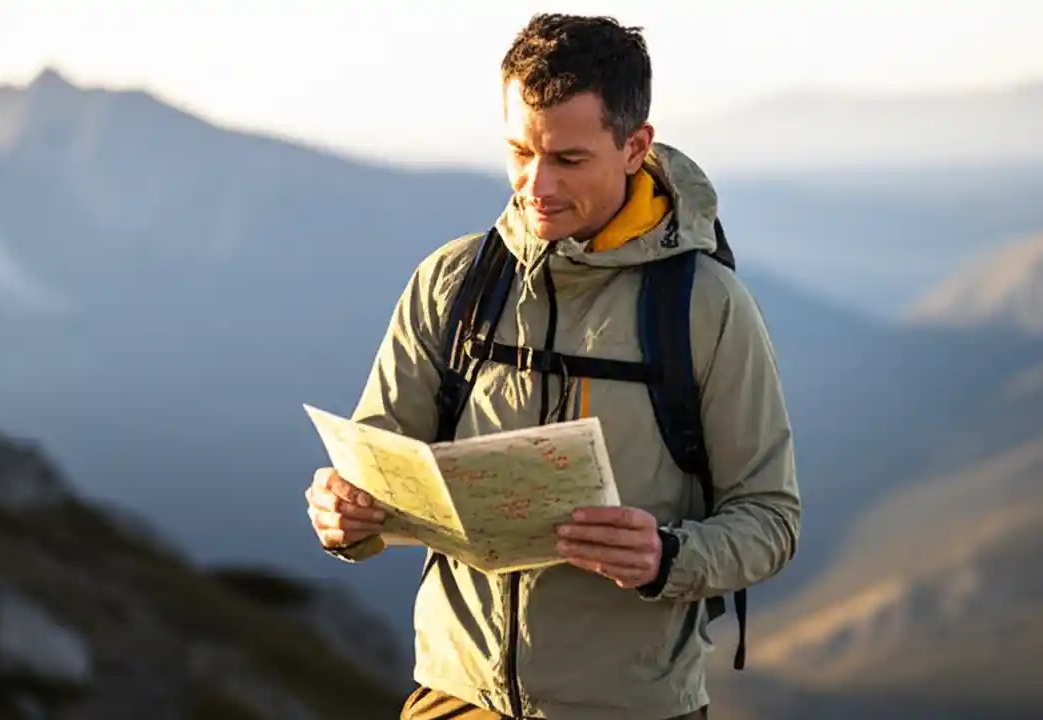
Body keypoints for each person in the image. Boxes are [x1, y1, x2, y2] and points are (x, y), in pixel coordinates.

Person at [305, 13, 800, 720]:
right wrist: (343, 516)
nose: (535, 185)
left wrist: (667, 558)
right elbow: (374, 465)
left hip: (629, 708)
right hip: (452, 698)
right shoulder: (452, 282)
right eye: (518, 152)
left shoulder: (704, 307)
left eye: (568, 160)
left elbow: (771, 519)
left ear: (636, 147)